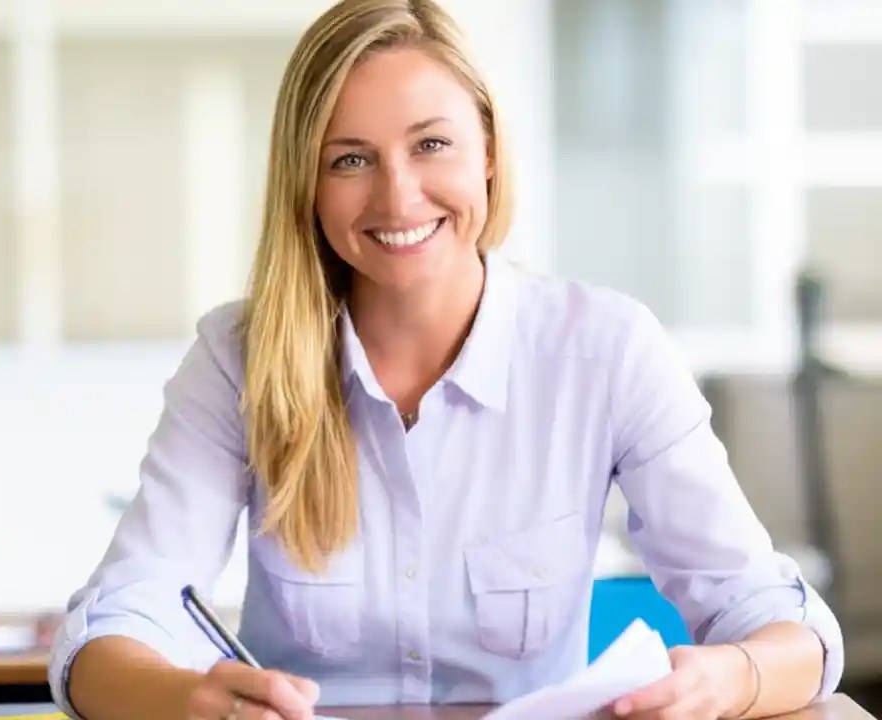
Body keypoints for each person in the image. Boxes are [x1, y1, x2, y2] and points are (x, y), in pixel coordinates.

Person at [48, 0, 844, 718]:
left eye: (431, 144)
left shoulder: (606, 349)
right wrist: (189, 700)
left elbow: (780, 619)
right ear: (307, 184)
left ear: (489, 151)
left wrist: (727, 679)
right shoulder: (237, 359)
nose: (398, 198)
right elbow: (115, 627)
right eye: (349, 159)